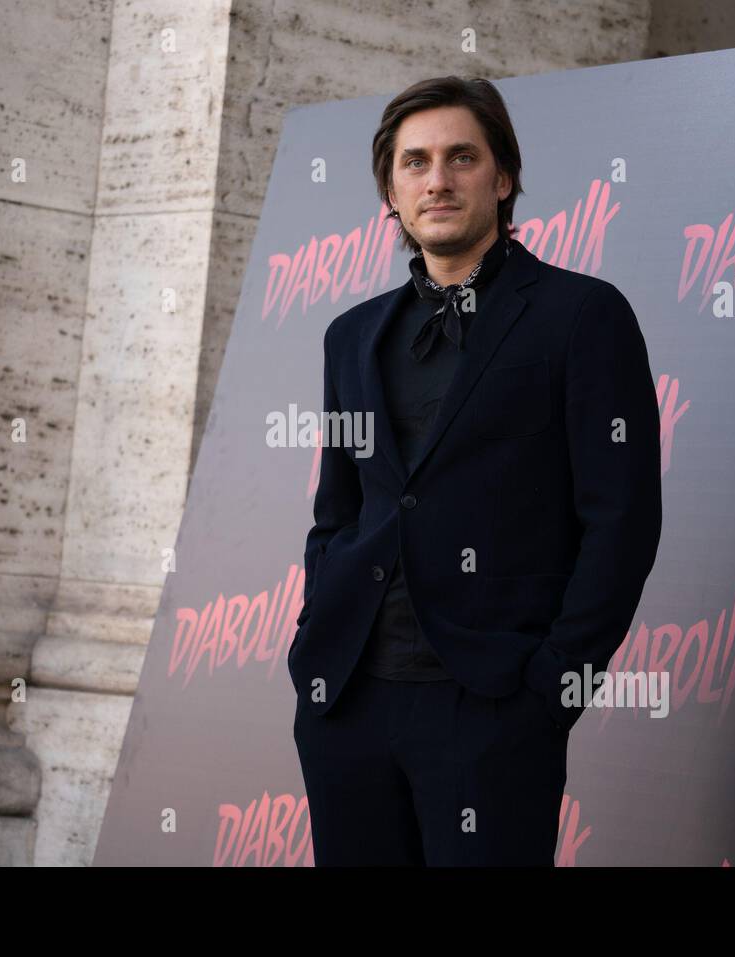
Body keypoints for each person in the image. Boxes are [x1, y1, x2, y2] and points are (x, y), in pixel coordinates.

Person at [288, 75, 662, 865]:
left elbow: (622, 521)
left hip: (493, 705)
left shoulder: (582, 317)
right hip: (348, 699)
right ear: (391, 190)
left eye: (462, 157)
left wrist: (551, 689)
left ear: (502, 177)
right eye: (415, 162)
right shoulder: (350, 336)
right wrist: (315, 637)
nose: (438, 179)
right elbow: (338, 509)